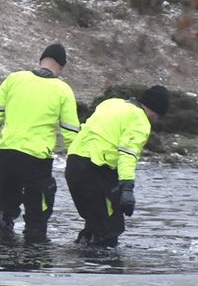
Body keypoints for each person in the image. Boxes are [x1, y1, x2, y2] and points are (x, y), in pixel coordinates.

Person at [0, 43, 81, 243]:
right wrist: (77, 158)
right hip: (37, 158)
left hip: (8, 151)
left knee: (6, 201)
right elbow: (70, 131)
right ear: (61, 67)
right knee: (38, 211)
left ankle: (1, 249)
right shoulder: (63, 90)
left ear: (41, 60)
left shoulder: (14, 78)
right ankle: (34, 256)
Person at [64, 85, 170, 247]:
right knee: (109, 230)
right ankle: (104, 269)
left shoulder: (111, 103)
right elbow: (127, 154)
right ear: (155, 110)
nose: (157, 120)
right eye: (158, 116)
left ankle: (82, 261)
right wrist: (127, 189)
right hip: (95, 170)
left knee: (95, 223)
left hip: (73, 165)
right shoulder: (140, 120)